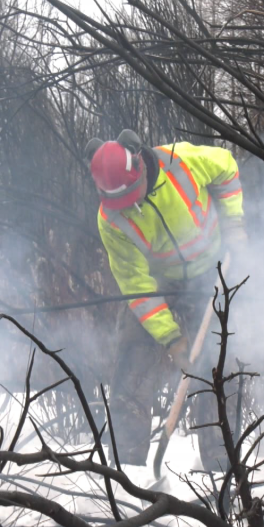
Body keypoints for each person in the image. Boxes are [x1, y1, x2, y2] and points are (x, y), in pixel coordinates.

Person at [85, 129, 247, 469]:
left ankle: (222, 473)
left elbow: (228, 167)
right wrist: (171, 338)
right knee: (132, 370)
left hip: (213, 274)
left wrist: (233, 225)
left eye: (130, 195)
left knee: (222, 372)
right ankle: (128, 480)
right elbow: (136, 287)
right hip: (162, 284)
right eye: (118, 202)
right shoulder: (110, 220)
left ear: (140, 165)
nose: (128, 206)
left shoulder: (182, 162)